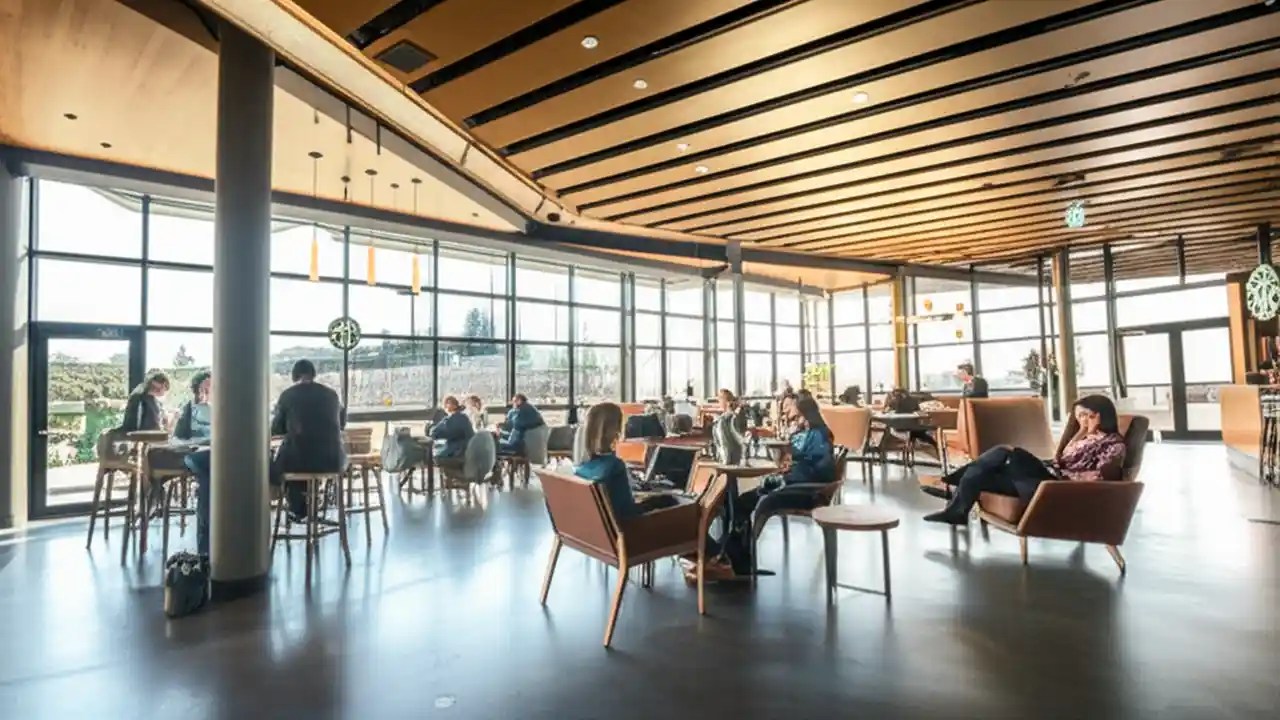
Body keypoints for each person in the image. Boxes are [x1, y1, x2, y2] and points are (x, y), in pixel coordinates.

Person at [923, 394, 1127, 526]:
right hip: (1047, 477)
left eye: (1086, 415)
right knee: (982, 475)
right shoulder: (1085, 437)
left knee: (1007, 451)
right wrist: (1081, 432)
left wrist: (1069, 474)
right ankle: (957, 511)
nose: (1082, 421)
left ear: (1100, 415)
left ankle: (950, 482)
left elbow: (1102, 476)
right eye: (1079, 417)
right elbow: (1063, 458)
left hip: (1058, 486)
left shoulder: (1113, 444)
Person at [709, 395, 836, 577]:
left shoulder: (818, 435)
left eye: (798, 416)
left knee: (755, 501)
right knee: (745, 500)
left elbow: (816, 468)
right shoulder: (815, 434)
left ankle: (733, 558)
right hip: (800, 484)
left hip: (808, 491)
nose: (796, 420)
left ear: (807, 415)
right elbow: (805, 462)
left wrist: (787, 474)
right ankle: (734, 557)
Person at [574, 402, 681, 520]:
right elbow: (629, 514)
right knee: (670, 501)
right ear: (615, 430)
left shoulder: (581, 469)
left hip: (602, 526)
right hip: (627, 528)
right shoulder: (615, 466)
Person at [271, 360, 347, 520]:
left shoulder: (288, 395)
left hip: (299, 462)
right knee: (303, 453)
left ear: (294, 376)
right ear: (313, 374)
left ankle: (297, 508)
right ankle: (309, 505)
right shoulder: (332, 395)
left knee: (280, 462)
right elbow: (342, 423)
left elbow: (276, 428)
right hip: (333, 461)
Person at [430, 395, 475, 470]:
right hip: (467, 452)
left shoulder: (454, 419)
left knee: (435, 457)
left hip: (458, 453)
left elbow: (435, 433)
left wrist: (431, 428)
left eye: (447, 403)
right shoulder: (463, 417)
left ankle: (451, 476)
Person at [173, 371, 212, 443]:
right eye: (202, 390)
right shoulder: (189, 409)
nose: (205, 394)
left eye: (208, 391)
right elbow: (178, 437)